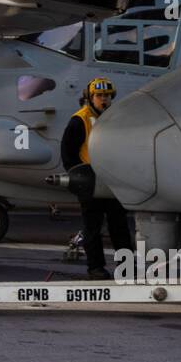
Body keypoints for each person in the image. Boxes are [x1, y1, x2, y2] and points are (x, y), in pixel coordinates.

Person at [60, 77, 133, 280]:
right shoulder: (79, 120)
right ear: (90, 97)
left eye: (107, 96)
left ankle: (126, 267)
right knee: (92, 227)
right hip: (91, 182)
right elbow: (68, 152)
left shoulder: (115, 117)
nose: (104, 100)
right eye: (99, 96)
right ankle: (95, 267)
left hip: (112, 181)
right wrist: (79, 178)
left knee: (120, 227)